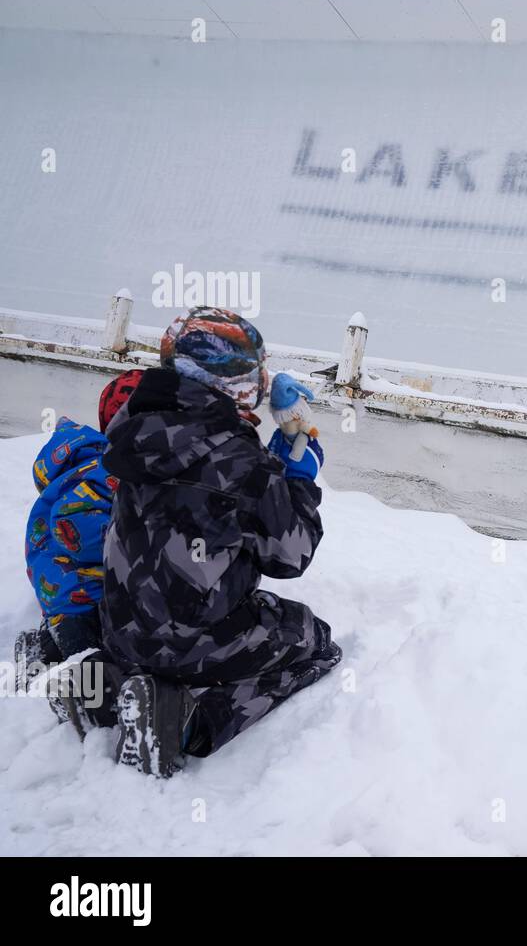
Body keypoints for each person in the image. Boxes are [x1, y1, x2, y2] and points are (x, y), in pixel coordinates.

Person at [100, 306, 341, 777]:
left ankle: (108, 685)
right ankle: (185, 721)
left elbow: (201, 480)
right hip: (188, 641)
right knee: (316, 641)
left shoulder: (134, 425)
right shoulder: (239, 459)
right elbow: (291, 556)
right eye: (256, 371)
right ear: (234, 380)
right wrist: (297, 480)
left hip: (119, 627)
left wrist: (267, 472)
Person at [14, 369, 143, 729]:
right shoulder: (109, 469)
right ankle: (94, 715)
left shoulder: (78, 465)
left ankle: (42, 650)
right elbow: (80, 528)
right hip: (88, 594)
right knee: (97, 665)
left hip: (58, 588)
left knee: (67, 632)